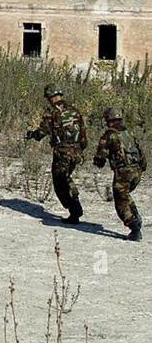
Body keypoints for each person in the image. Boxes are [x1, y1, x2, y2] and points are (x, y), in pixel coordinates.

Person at [25, 84, 87, 223]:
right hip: (76, 151)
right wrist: (81, 149)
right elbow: (83, 132)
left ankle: (75, 209)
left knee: (60, 181)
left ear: (50, 97)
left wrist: (32, 134)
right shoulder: (74, 110)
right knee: (66, 177)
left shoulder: (52, 112)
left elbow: (43, 131)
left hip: (62, 152)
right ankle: (75, 208)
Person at [92, 106, 145, 241]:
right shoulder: (129, 133)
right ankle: (136, 217)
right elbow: (139, 150)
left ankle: (134, 227)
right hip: (136, 171)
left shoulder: (109, 135)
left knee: (120, 201)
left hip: (123, 171)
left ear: (108, 120)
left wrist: (98, 163)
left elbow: (100, 157)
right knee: (125, 194)